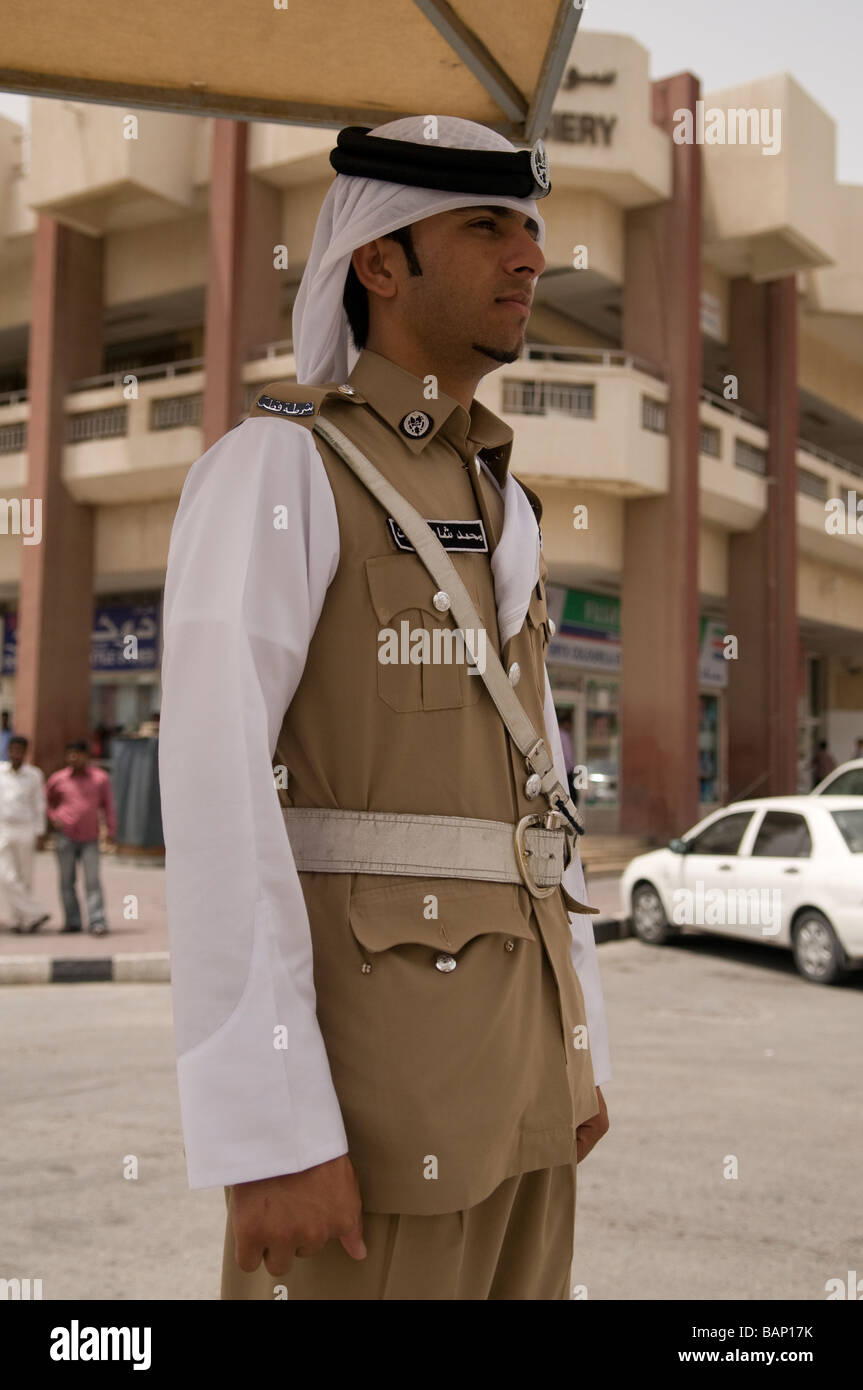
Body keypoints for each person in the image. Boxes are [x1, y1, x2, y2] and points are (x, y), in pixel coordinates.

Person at [159, 115, 610, 1302]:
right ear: (377, 261)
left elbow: (538, 804)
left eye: (529, 228)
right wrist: (268, 1127)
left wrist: (581, 1052)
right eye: (484, 227)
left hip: (522, 1094)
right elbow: (214, 789)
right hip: (367, 1120)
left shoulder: (503, 503)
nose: (527, 257)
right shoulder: (277, 469)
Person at [45, 738, 115, 935]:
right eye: (70, 754)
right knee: (67, 881)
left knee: (92, 881)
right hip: (65, 837)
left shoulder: (100, 778)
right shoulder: (58, 779)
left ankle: (97, 921)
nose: (73, 758)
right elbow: (47, 801)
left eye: (77, 754)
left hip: (90, 837)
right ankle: (72, 921)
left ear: (86, 756)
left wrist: (110, 831)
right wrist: (54, 816)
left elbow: (108, 806)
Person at [0, 734, 50, 934]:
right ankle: (36, 912)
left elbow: (39, 805)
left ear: (25, 752)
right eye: (13, 750)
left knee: (24, 877)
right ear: (8, 751)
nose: (16, 754)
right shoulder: (0, 772)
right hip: (3, 828)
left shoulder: (34, 775)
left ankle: (19, 920)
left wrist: (40, 832)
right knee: (6, 876)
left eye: (20, 750)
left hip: (26, 828)